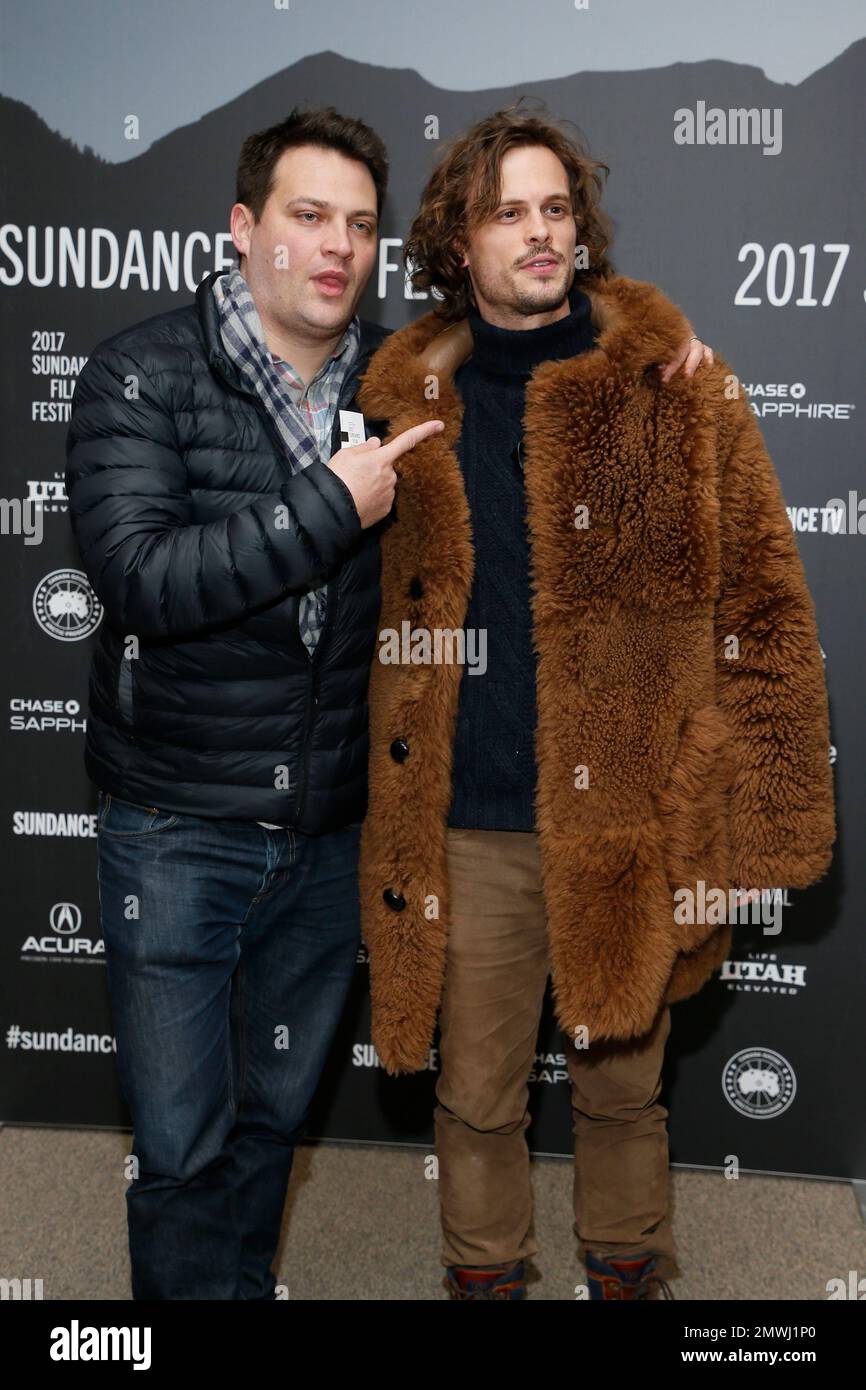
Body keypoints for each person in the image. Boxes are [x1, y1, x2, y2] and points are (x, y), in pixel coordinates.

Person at [355, 102, 835, 1300]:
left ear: (581, 229)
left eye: (554, 208)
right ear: (456, 243)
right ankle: (487, 1277)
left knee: (625, 1083)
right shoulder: (403, 406)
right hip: (468, 811)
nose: (535, 232)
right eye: (503, 211)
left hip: (626, 812)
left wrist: (749, 795)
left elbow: (765, 601)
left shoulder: (678, 387)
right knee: (474, 1094)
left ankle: (627, 1274)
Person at [63, 106, 443, 1300]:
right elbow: (141, 580)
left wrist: (659, 363)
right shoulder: (139, 370)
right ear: (243, 228)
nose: (336, 247)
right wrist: (331, 504)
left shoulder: (396, 385)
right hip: (177, 827)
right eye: (307, 216)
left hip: (327, 838)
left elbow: (545, 386)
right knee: (181, 1147)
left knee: (272, 1123)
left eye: (360, 227)